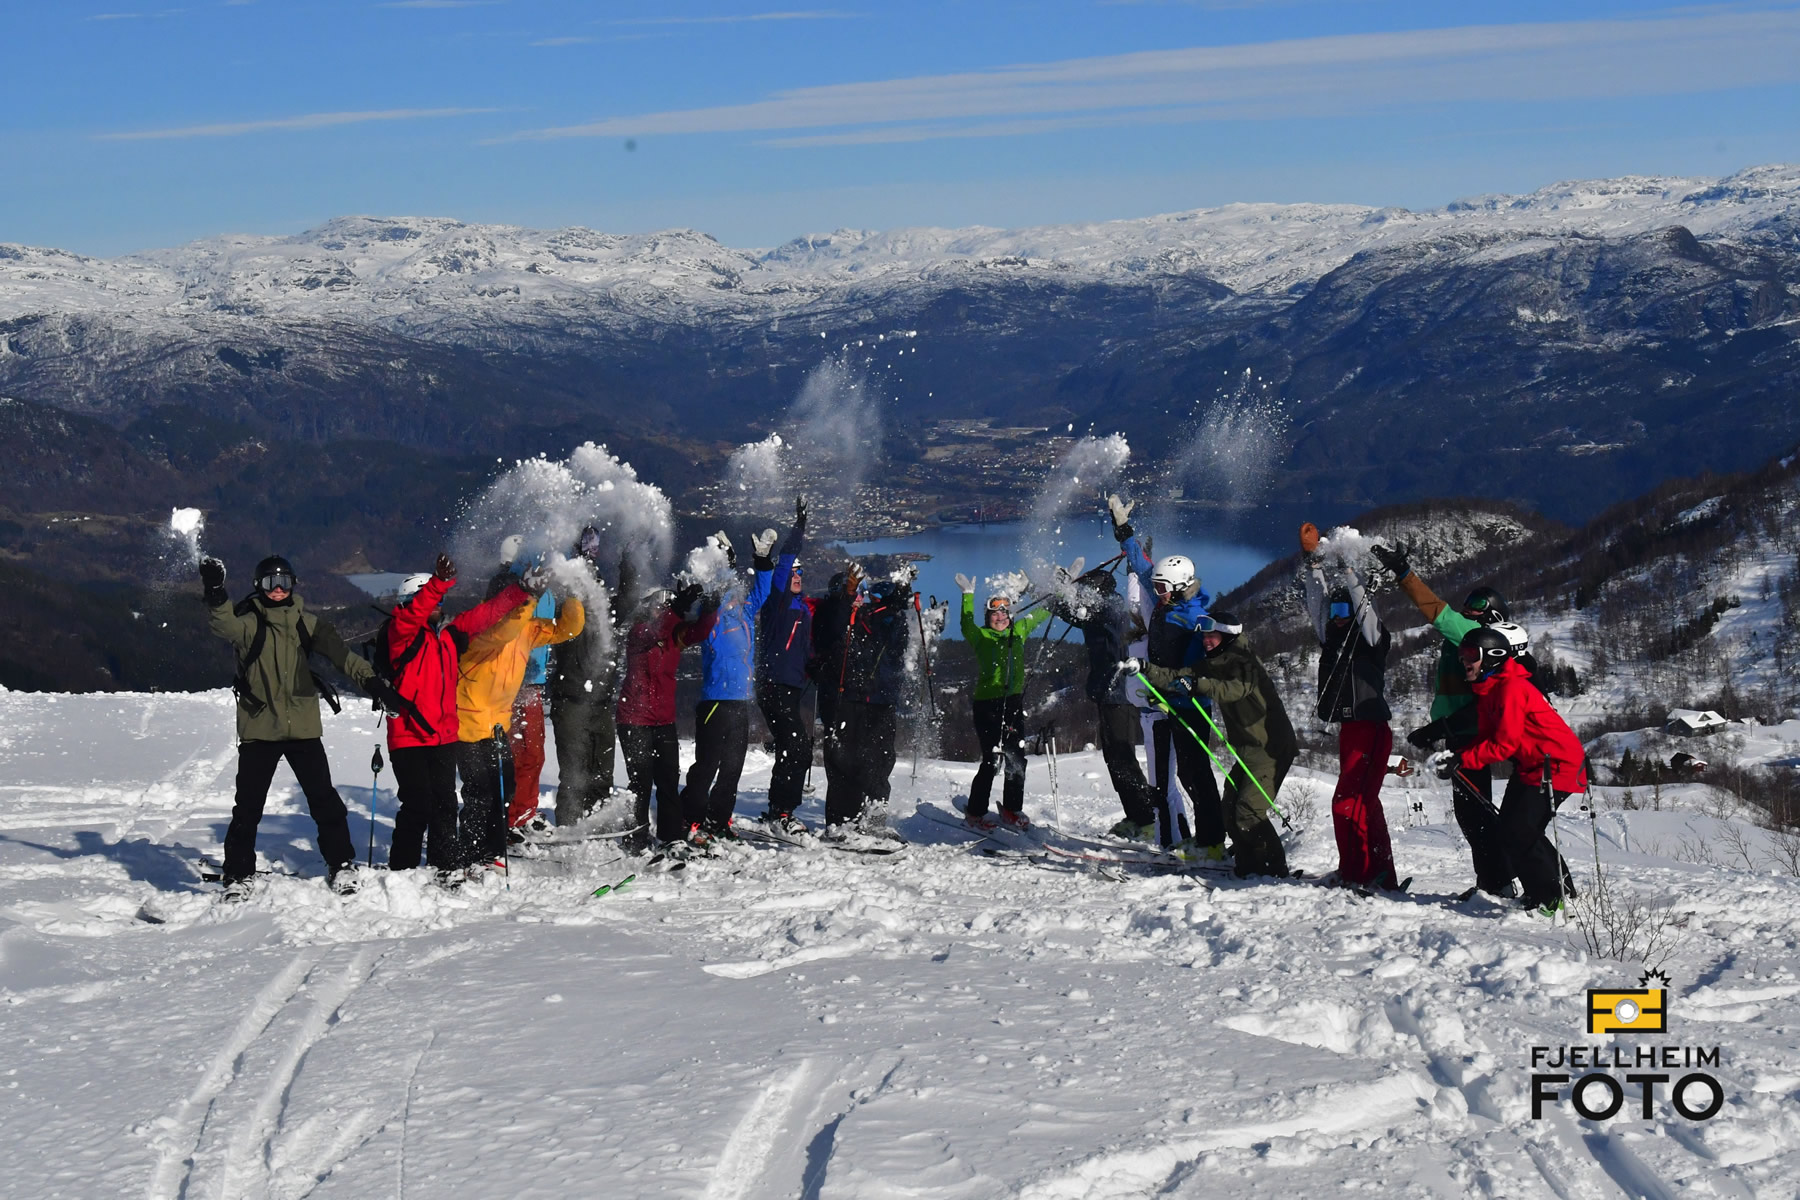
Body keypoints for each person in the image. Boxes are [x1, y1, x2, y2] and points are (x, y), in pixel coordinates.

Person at [200, 554, 391, 899]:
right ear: (258, 587)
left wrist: (372, 683)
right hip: (260, 728)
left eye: (284, 582)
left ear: (293, 585)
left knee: (324, 800)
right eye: (270, 583)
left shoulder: (308, 623)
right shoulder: (249, 622)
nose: (277, 589)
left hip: (303, 728)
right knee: (248, 807)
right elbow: (223, 625)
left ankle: (341, 864)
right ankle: (238, 874)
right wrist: (215, 590)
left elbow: (343, 657)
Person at [1370, 543, 1533, 899]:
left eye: (1476, 607)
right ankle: (1494, 881)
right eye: (1467, 605)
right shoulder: (1469, 640)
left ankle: (1498, 884)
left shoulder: (1470, 635)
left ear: (1491, 616)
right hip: (1460, 731)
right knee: (1473, 811)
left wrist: (1404, 574)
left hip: (1469, 732)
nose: (1466, 611)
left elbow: (1435, 610)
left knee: (1475, 812)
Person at [379, 556, 530, 877]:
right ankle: (401, 871)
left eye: (440, 600)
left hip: (444, 736)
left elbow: (485, 614)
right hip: (409, 736)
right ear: (409, 602)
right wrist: (438, 583)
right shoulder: (400, 632)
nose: (437, 605)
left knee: (445, 807)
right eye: (428, 600)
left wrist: (521, 590)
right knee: (418, 805)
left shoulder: (448, 634)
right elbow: (416, 614)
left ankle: (443, 867)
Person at [1442, 626, 1587, 914]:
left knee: (1518, 829)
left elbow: (1503, 745)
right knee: (1514, 829)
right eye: (1462, 655)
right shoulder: (1488, 691)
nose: (1464, 662)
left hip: (1558, 765)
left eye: (1471, 655)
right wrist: (1458, 756)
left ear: (1492, 657)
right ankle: (1561, 891)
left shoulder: (1511, 689)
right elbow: (1487, 738)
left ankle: (1549, 898)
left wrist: (1464, 760)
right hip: (1532, 764)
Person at [1109, 494, 1224, 855]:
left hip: (1190, 702)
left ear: (1178, 586)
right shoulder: (1168, 601)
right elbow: (1143, 568)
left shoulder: (1193, 619)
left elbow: (1199, 664)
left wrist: (1177, 687)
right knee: (1186, 773)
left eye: (1162, 588)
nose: (1155, 593)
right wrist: (1124, 532)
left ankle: (1212, 841)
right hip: (1171, 700)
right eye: (1156, 588)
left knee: (1196, 773)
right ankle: (1201, 837)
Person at [1145, 611, 1294, 878]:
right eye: (1204, 636)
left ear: (1227, 636)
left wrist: (1196, 685)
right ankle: (1249, 867)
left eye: (1212, 636)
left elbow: (1233, 689)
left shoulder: (1245, 662)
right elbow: (1177, 675)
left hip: (1271, 748)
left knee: (1248, 812)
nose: (1206, 641)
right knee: (1229, 808)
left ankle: (1273, 870)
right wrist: (1146, 670)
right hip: (1249, 750)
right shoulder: (1213, 661)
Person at [455, 569, 584, 873]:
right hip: (469, 724)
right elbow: (506, 632)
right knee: (479, 795)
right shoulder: (481, 628)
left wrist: (572, 595)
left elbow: (569, 629)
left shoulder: (526, 628)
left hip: (499, 723)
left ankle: (492, 851)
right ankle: (470, 856)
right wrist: (531, 597)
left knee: (504, 789)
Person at [1299, 525, 1400, 890]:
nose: (1340, 615)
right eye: (1336, 609)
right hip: (1349, 729)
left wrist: (1347, 570)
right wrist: (1313, 564)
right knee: (1364, 802)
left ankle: (1357, 873)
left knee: (1348, 802)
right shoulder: (1331, 637)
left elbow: (1363, 606)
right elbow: (1317, 602)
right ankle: (1378, 872)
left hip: (1371, 729)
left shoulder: (1372, 639)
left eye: (1346, 610)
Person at [678, 530, 777, 839]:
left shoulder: (745, 613)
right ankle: (688, 817)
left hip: (739, 703)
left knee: (732, 769)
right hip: (715, 701)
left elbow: (764, 591)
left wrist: (762, 561)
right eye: (731, 591)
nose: (736, 593)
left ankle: (717, 820)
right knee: (707, 765)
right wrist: (726, 563)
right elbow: (711, 595)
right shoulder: (712, 617)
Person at [1053, 567, 1160, 839]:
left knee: (1122, 757)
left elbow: (1086, 610)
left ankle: (1147, 819)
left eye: (1089, 589)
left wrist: (1069, 590)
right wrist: (1050, 594)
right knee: (1114, 758)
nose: (1086, 594)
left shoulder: (1109, 606)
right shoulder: (1096, 610)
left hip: (1119, 694)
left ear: (1098, 590)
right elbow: (1074, 614)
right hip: (1108, 693)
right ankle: (1137, 815)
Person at [616, 580, 719, 850]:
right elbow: (653, 633)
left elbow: (700, 631)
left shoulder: (673, 634)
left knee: (668, 780)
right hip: (634, 719)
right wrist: (680, 607)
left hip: (663, 719)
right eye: (659, 601)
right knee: (641, 781)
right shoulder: (639, 632)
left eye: (668, 601)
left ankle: (670, 836)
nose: (663, 606)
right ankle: (635, 837)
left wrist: (710, 608)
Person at [818, 570, 912, 838]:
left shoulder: (886, 619)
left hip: (881, 699)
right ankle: (840, 823)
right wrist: (848, 599)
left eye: (864, 594)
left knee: (881, 760)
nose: (861, 600)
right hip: (849, 698)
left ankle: (874, 820)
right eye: (856, 594)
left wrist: (899, 599)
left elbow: (896, 644)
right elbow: (836, 628)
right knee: (845, 760)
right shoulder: (841, 616)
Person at [956, 575, 1051, 831]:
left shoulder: (1018, 631)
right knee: (992, 759)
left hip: (1013, 703)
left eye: (1004, 613)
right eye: (994, 614)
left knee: (1017, 758)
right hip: (987, 704)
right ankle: (975, 812)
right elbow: (966, 624)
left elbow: (1043, 612)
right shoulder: (981, 636)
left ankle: (1011, 808)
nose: (1000, 618)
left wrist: (1063, 589)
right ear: (988, 617)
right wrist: (967, 595)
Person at [550, 526, 623, 829]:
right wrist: (580, 564)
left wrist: (629, 560)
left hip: (601, 701)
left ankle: (596, 825)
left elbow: (626, 600)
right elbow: (569, 606)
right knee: (574, 774)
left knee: (602, 771)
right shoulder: (568, 606)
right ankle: (569, 828)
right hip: (572, 698)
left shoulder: (603, 615)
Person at [488, 537, 556, 842]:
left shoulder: (542, 588)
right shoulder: (505, 586)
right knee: (520, 753)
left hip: (533, 679)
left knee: (534, 753)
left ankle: (525, 810)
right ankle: (514, 816)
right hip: (514, 681)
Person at [757, 498, 815, 834]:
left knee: (793, 747)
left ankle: (779, 810)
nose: (798, 576)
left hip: (791, 685)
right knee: (796, 745)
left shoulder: (803, 609)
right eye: (794, 572)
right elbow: (784, 563)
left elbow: (802, 650)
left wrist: (814, 665)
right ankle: (781, 813)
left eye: (801, 573)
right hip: (774, 684)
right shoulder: (777, 604)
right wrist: (800, 526)